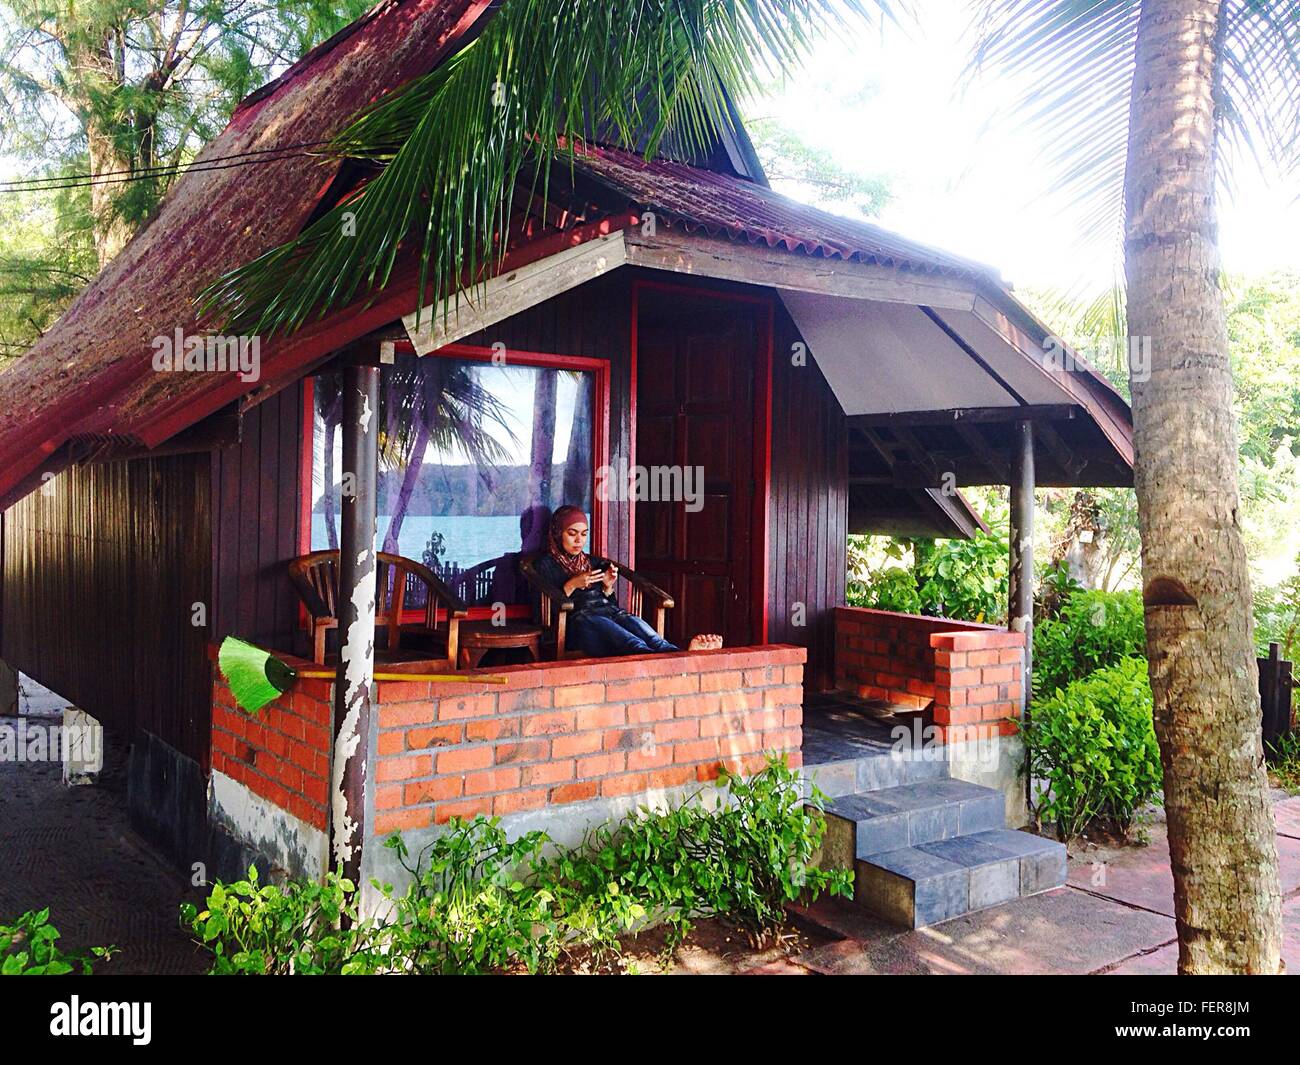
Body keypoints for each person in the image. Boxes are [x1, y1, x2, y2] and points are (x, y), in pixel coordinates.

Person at [533, 504, 723, 657]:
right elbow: (544, 610)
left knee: (642, 631)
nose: (579, 541)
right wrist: (572, 584)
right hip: (579, 623)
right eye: (572, 533)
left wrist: (608, 587)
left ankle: (679, 654)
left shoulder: (594, 562)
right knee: (633, 643)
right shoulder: (545, 565)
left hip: (610, 614)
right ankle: (672, 659)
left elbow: (610, 603)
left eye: (584, 534)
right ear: (558, 533)